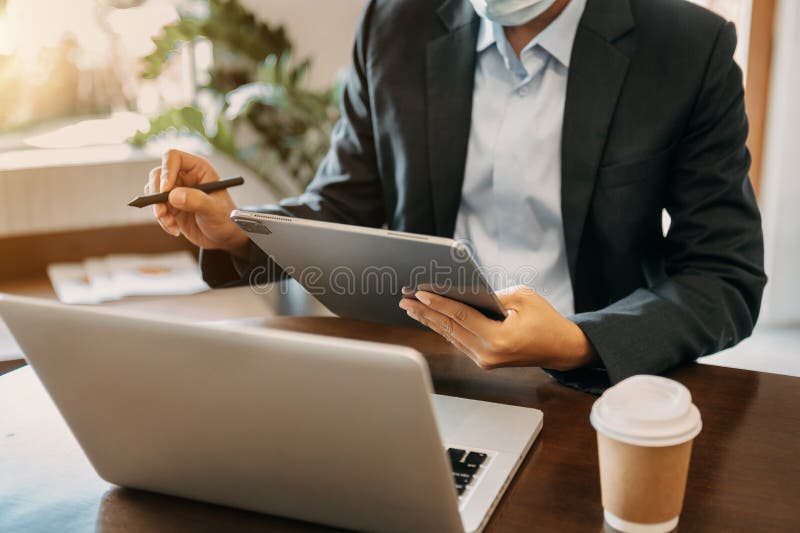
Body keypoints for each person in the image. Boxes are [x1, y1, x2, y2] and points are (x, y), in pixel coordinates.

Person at [144, 0, 766, 392]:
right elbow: (343, 204)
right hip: (420, 369)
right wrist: (239, 229)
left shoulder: (687, 47)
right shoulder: (395, 23)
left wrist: (578, 343)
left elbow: (723, 275)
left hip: (594, 381)